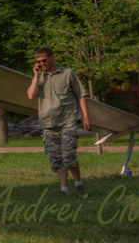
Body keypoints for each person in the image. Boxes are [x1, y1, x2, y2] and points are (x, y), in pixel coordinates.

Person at [27, 46, 92, 196]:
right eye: (38, 61)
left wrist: (86, 116)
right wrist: (36, 76)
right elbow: (31, 96)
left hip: (67, 120)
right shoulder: (39, 77)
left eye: (44, 60)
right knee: (56, 157)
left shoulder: (68, 73)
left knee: (68, 155)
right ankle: (64, 189)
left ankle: (78, 184)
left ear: (52, 58)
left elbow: (81, 95)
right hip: (48, 123)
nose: (42, 63)